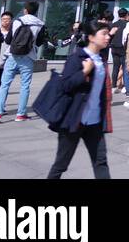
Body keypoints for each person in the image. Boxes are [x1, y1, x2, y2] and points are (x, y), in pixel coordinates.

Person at [46, 22, 112, 179]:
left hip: (94, 122)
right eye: (104, 34)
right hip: (74, 120)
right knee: (61, 164)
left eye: (108, 34)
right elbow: (65, 85)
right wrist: (84, 72)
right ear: (91, 37)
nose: (108, 37)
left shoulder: (101, 59)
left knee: (100, 161)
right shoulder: (77, 58)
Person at [0, 1, 46, 124]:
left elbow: (8, 40)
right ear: (36, 11)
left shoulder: (17, 21)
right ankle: (20, 114)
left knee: (4, 84)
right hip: (28, 57)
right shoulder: (40, 24)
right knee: (25, 85)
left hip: (12, 55)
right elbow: (39, 43)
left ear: (25, 10)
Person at [108, 8, 129, 94]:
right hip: (123, 48)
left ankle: (113, 86)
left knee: (115, 67)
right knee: (125, 68)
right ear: (126, 15)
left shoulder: (114, 24)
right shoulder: (128, 24)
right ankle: (126, 87)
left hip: (114, 47)